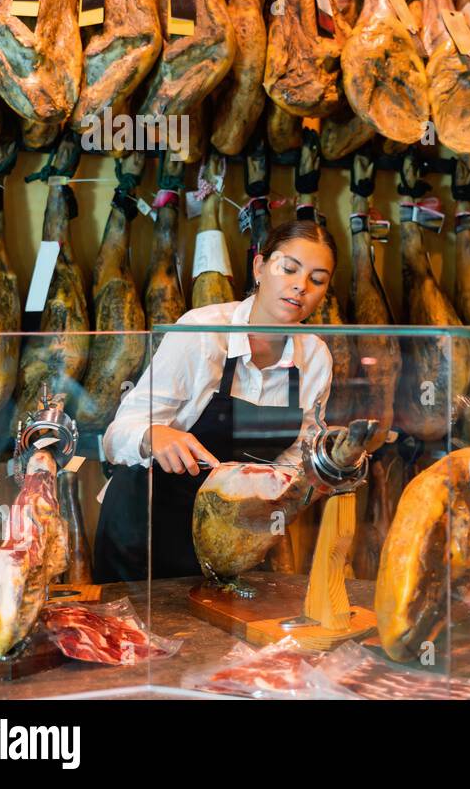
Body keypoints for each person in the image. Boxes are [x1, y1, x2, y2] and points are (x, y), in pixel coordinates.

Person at [92, 219, 338, 583]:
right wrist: (154, 435)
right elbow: (117, 437)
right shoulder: (202, 332)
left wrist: (319, 470)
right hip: (144, 533)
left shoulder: (315, 357)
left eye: (317, 279)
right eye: (288, 269)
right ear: (259, 267)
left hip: (232, 541)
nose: (301, 286)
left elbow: (296, 458)